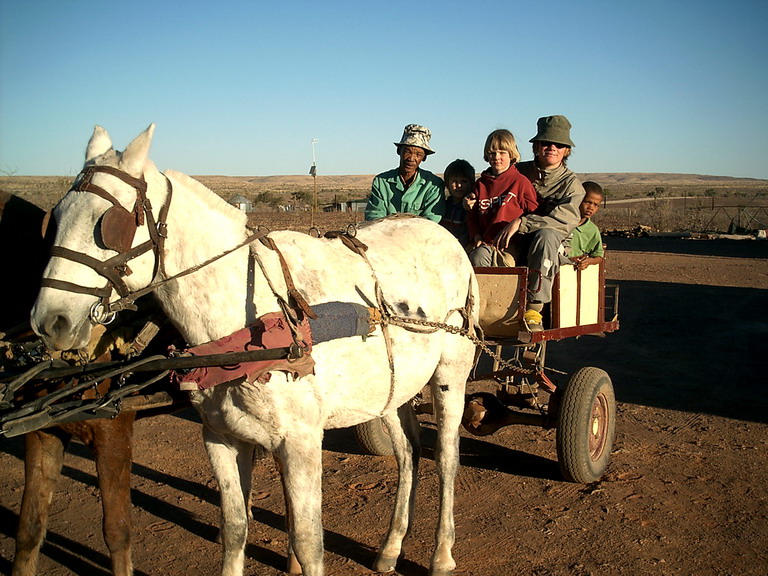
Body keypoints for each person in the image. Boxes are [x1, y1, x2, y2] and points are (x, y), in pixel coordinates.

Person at [512, 115, 586, 331]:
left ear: (566, 150)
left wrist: (522, 223)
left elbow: (561, 221)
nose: (552, 147)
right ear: (537, 146)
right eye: (546, 143)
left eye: (559, 144)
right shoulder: (517, 172)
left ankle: (534, 308)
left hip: (552, 252)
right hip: (515, 242)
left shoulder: (572, 186)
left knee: (548, 235)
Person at [465, 129, 538, 267]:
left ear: (511, 155)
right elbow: (471, 216)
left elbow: (534, 214)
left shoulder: (520, 182)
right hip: (486, 244)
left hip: (511, 245)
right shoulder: (480, 184)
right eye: (492, 153)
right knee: (477, 258)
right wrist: (477, 236)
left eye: (502, 152)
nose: (497, 157)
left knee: (507, 266)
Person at [365, 124, 445, 222]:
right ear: (399, 151)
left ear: (424, 158)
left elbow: (431, 222)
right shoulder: (381, 181)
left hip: (420, 236)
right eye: (407, 152)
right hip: (386, 235)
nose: (411, 159)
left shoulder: (434, 185)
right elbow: (374, 215)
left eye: (418, 154)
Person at [565, 181, 605, 270]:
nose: (591, 207)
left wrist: (588, 261)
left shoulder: (592, 230)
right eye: (588, 202)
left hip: (574, 272)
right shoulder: (562, 221)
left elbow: (598, 255)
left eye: (596, 205)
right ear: (579, 199)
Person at [439, 159, 475, 248]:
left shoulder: (472, 208)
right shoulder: (442, 206)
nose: (459, 185)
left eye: (464, 181)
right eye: (454, 181)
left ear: (471, 183)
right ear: (447, 184)